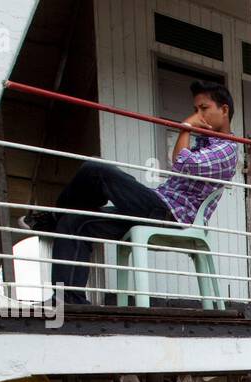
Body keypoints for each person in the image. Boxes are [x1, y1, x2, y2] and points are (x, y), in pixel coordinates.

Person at [24, 81, 239, 304]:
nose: (197, 115)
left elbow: (181, 161)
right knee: (74, 222)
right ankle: (67, 300)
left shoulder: (226, 149)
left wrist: (185, 127)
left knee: (95, 170)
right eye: (195, 110)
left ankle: (54, 218)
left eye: (203, 108)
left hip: (170, 215)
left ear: (223, 110)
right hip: (157, 206)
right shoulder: (204, 142)